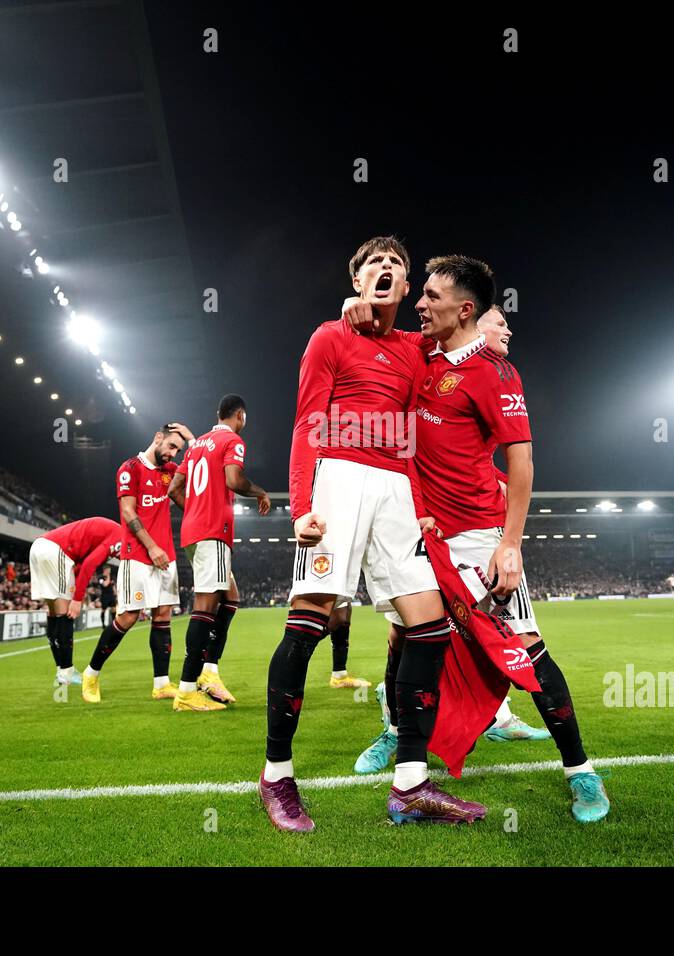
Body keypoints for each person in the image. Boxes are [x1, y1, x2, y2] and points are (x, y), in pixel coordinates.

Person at [344, 257, 606, 822]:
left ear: (464, 309)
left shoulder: (495, 373)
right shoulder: (421, 355)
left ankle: (581, 771)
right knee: (405, 639)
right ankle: (398, 745)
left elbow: (522, 461)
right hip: (422, 535)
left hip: (480, 536)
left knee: (526, 651)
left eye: (432, 296)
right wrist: (353, 304)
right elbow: (375, 326)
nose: (420, 304)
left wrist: (510, 544)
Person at [260, 236, 482, 832]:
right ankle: (276, 775)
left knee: (430, 626)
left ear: (407, 289)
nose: (386, 268)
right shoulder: (329, 337)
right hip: (339, 476)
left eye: (397, 265)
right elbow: (307, 422)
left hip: (397, 489)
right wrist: (300, 507)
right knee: (309, 624)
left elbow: (468, 330)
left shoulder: (414, 347)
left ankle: (410, 784)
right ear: (357, 281)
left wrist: (422, 506)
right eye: (374, 264)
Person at [170, 394, 272, 707]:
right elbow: (234, 480)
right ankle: (187, 690)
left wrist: (195, 511)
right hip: (212, 531)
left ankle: (209, 672)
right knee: (205, 605)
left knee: (230, 598)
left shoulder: (197, 445)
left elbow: (174, 488)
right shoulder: (232, 441)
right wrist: (260, 492)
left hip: (193, 531)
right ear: (240, 415)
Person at [86, 425, 189, 703]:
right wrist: (152, 546)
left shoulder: (171, 471)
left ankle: (161, 684)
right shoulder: (129, 468)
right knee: (129, 617)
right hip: (139, 554)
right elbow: (128, 512)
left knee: (163, 615)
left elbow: (196, 477)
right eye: (171, 446)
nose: (173, 453)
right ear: (158, 438)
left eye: (178, 450)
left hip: (166, 555)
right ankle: (91, 674)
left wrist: (191, 440)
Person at [28, 516, 122, 687]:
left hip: (39, 546)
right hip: (56, 551)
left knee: (53, 612)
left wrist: (76, 592)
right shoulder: (120, 537)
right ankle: (66, 671)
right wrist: (77, 599)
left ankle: (61, 669)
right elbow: (88, 564)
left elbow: (80, 567)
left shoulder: (112, 533)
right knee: (65, 613)